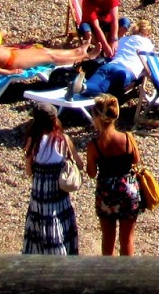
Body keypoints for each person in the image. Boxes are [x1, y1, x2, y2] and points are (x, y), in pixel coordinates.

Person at [85, 94, 144, 255]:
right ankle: (128, 275)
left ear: (97, 116)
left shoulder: (95, 145)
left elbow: (91, 173)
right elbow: (136, 161)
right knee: (127, 239)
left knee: (108, 238)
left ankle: (107, 274)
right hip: (128, 190)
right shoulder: (127, 138)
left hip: (106, 192)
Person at [22, 105, 81, 254]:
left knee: (39, 227)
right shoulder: (63, 140)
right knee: (60, 222)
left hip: (39, 194)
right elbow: (79, 164)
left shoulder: (33, 141)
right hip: (58, 193)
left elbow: (29, 172)